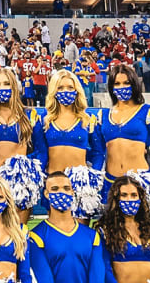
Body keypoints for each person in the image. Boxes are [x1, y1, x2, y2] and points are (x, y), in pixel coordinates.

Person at [102, 64, 150, 221]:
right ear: (111, 87)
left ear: (134, 84)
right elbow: (98, 151)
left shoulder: (147, 111)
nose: (122, 87)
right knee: (112, 233)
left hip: (140, 182)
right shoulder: (103, 115)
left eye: (126, 83)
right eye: (117, 83)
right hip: (110, 182)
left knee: (146, 231)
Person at [0, 67, 45, 218]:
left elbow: (42, 151)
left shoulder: (29, 115)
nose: (2, 88)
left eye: (6, 84)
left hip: (19, 184)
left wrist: (27, 170)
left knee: (19, 233)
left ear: (13, 86)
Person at [39, 69, 107, 220]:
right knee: (56, 230)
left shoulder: (87, 119)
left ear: (77, 90)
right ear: (54, 91)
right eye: (61, 88)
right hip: (53, 182)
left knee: (80, 231)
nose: (66, 91)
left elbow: (98, 153)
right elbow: (42, 152)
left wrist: (93, 176)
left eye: (70, 87)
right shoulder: (44, 120)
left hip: (80, 183)